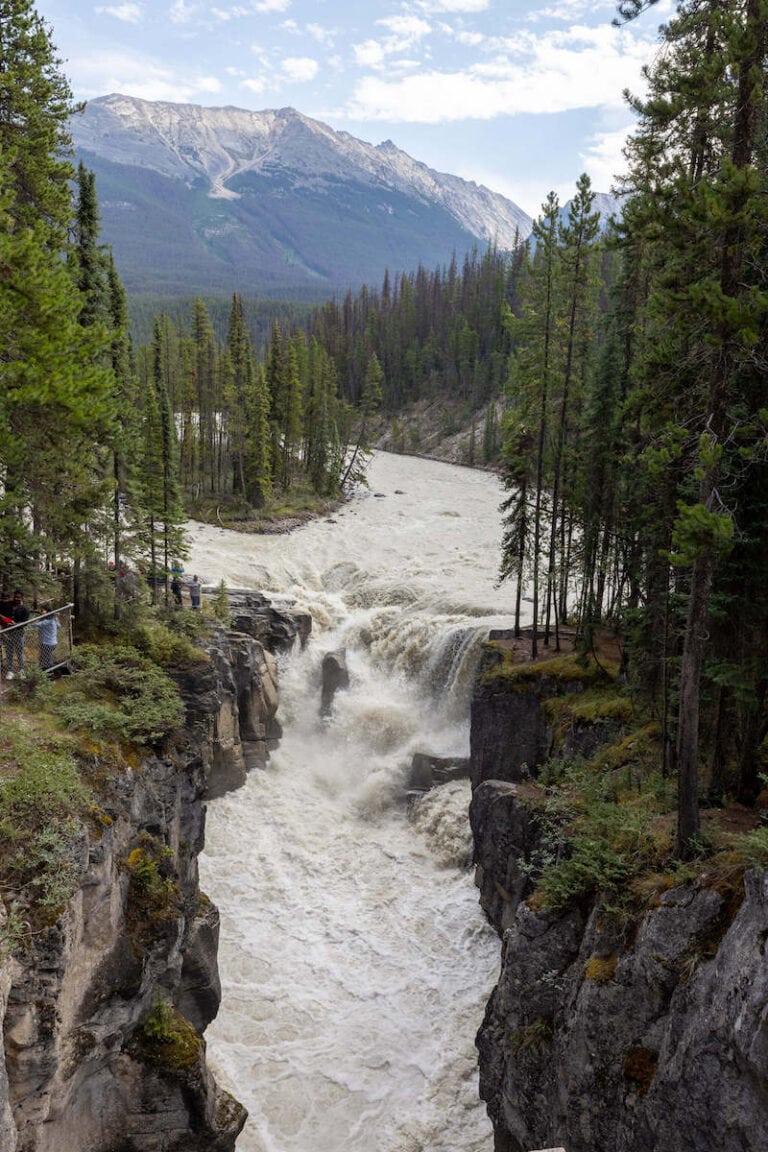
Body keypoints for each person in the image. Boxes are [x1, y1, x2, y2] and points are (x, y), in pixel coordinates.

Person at [8, 591, 30, 676]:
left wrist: (15, 624)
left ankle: (21, 670)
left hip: (19, 633)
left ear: (22, 598)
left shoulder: (25, 609)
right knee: (9, 652)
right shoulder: (9, 606)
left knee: (19, 652)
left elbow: (24, 623)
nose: (17, 598)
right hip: (8, 633)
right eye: (15, 597)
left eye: (19, 597)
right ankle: (10, 670)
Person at [0, 589, 14, 677]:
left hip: (9, 627)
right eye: (3, 598)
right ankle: (1, 664)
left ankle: (10, 669)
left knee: (9, 647)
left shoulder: (12, 604)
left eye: (6, 598)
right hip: (1, 626)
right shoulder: (0, 603)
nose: (5, 600)